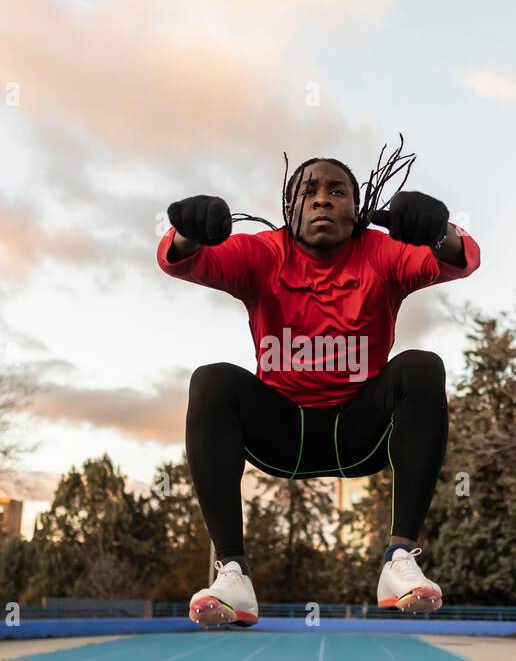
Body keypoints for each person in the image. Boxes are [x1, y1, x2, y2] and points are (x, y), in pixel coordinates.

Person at [157, 149, 481, 627]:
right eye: (308, 192)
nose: (322, 200)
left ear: (357, 210)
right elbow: (183, 260)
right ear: (289, 211)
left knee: (421, 366)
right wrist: (189, 233)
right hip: (282, 435)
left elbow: (458, 261)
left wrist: (441, 233)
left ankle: (399, 559)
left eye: (336, 191)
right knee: (211, 380)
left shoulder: (379, 252)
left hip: (360, 432)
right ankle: (232, 572)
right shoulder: (263, 252)